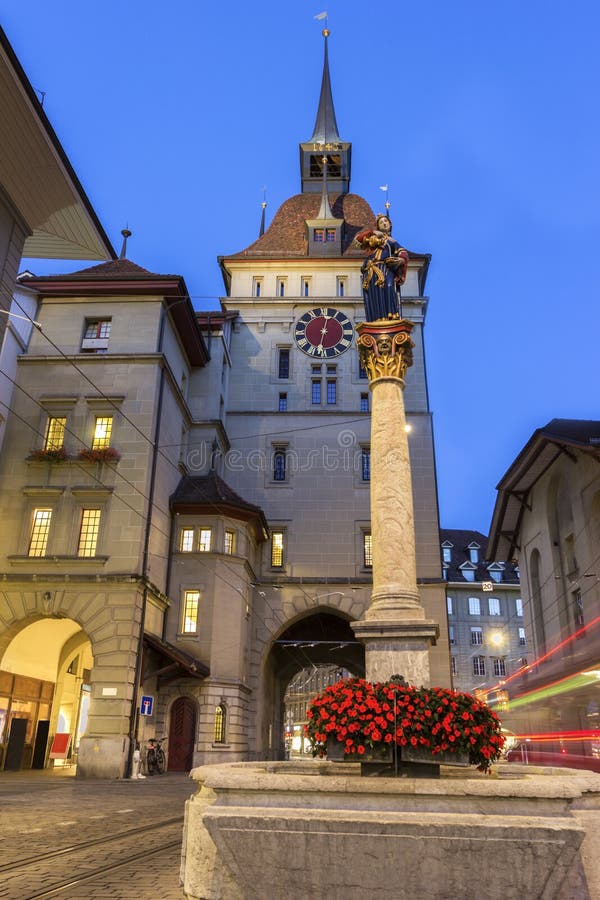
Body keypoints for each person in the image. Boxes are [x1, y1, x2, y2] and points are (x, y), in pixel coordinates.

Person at [355, 214, 409, 321]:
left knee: (389, 287)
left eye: (386, 221)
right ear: (378, 227)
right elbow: (358, 239)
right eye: (381, 222)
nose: (384, 223)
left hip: (385, 268)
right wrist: (372, 232)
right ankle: (376, 318)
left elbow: (404, 253)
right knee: (374, 294)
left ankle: (390, 316)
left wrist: (401, 260)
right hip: (371, 269)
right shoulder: (373, 237)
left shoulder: (392, 242)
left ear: (390, 224)